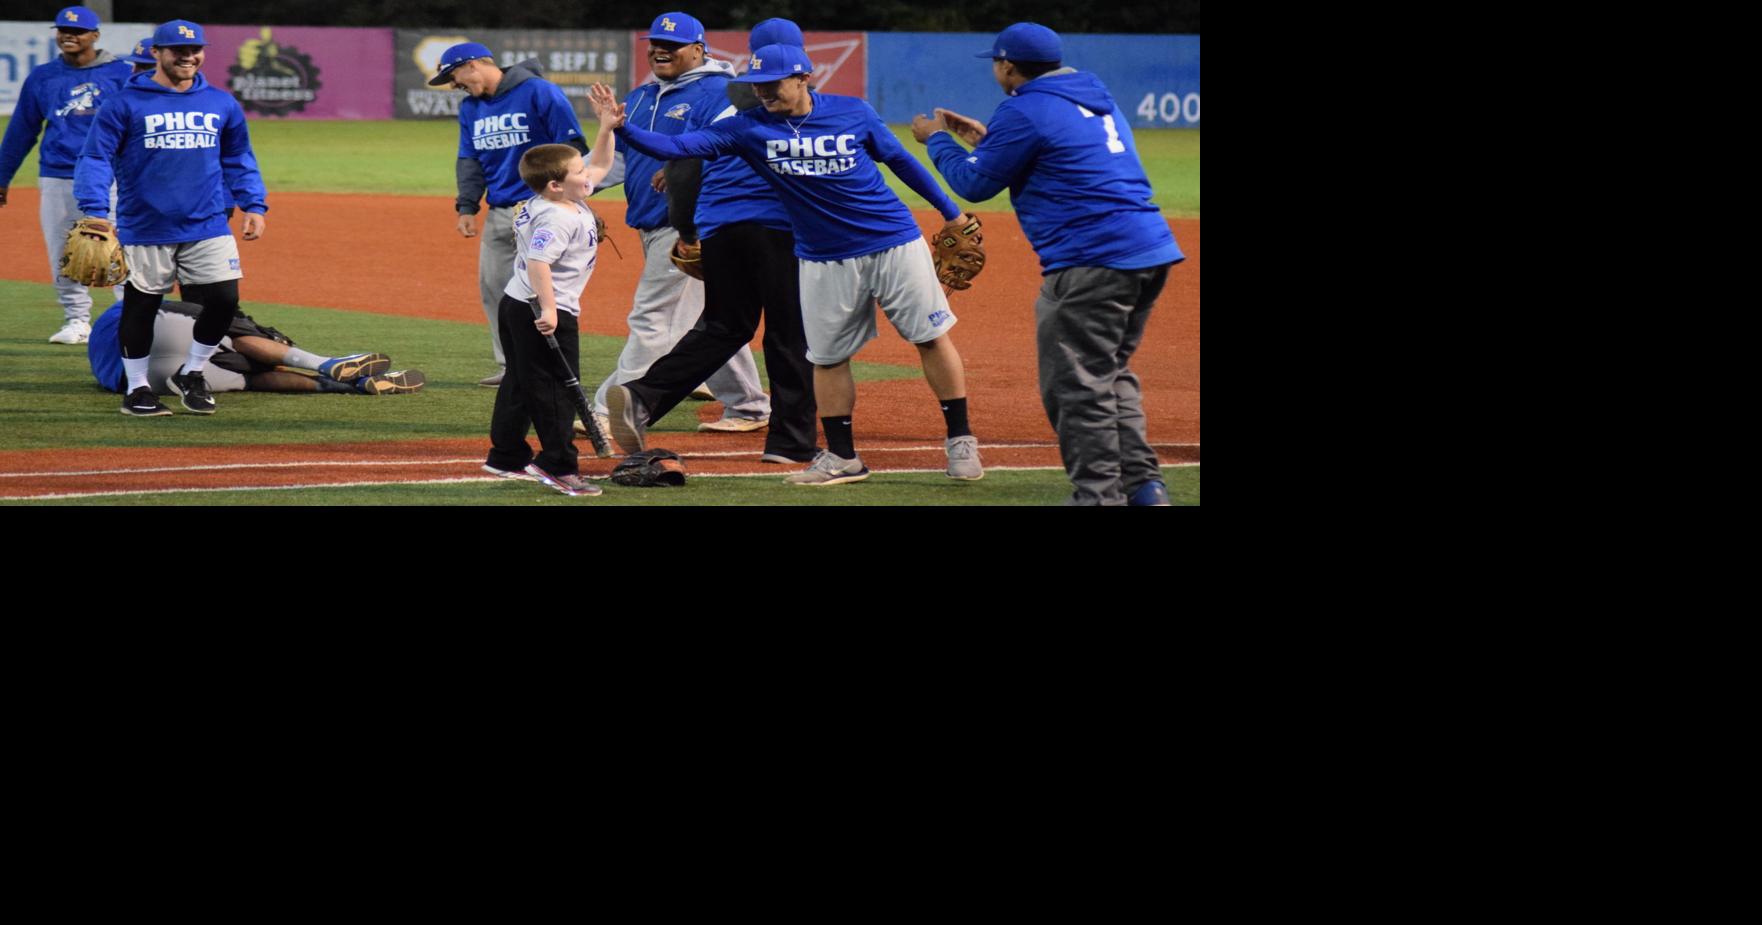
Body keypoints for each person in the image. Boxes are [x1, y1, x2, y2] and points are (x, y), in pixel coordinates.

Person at [595, 42, 985, 487]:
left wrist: (951, 213)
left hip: (892, 240)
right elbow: (678, 144)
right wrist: (620, 127)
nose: (763, 93)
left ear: (803, 77)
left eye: (773, 84)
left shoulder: (853, 112)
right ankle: (841, 457)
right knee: (826, 356)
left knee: (930, 337)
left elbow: (899, 162)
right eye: (756, 85)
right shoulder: (748, 128)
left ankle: (960, 440)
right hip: (823, 255)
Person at [912, 23, 1186, 506]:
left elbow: (973, 187)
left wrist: (937, 140)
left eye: (996, 63)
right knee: (1108, 373)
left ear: (1008, 66)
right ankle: (1142, 487)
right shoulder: (1094, 97)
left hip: (1091, 260)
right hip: (1149, 250)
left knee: (1076, 388)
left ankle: (1098, 497)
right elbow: (1062, 155)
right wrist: (990, 141)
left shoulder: (1023, 109)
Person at [604, 17, 817, 464]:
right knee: (788, 334)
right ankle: (790, 440)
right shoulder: (823, 109)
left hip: (719, 228)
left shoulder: (732, 98)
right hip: (780, 230)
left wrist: (685, 230)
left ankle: (643, 398)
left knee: (722, 327)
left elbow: (683, 156)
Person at [73, 19, 270, 418]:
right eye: (178, 51)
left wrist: (253, 204)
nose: (188, 56)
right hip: (146, 225)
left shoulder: (220, 102)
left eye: (195, 50)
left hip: (207, 223)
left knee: (223, 300)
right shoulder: (125, 104)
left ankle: (192, 371)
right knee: (141, 306)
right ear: (158, 54)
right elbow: (95, 157)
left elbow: (238, 158)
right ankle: (139, 388)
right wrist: (95, 210)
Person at [592, 11, 770, 438]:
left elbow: (734, 150)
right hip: (650, 222)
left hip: (692, 223)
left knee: (654, 319)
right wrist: (568, 188)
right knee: (713, 319)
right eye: (655, 43)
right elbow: (616, 161)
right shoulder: (639, 96)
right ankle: (748, 404)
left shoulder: (720, 93)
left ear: (698, 50)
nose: (659, 51)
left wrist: (686, 170)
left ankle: (610, 409)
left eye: (671, 45)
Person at [433, 41, 611, 389]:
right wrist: (467, 205)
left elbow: (573, 149)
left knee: (549, 290)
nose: (456, 86)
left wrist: (577, 201)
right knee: (497, 289)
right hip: (501, 212)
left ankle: (553, 366)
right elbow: (468, 158)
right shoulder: (471, 108)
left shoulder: (539, 92)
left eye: (454, 77)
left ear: (473, 65)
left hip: (546, 209)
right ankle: (513, 367)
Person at [481, 123, 620, 498]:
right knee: (556, 389)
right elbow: (539, 262)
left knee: (522, 381)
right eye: (579, 171)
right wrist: (549, 309)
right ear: (556, 184)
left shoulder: (557, 198)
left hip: (518, 305)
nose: (587, 175)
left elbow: (603, 166)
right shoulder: (558, 217)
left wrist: (606, 129)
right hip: (541, 310)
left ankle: (506, 454)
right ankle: (558, 465)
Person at [0, 6, 133, 345]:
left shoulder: (121, 74)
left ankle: (130, 317)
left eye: (78, 31)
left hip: (113, 176)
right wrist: (2, 176)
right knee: (63, 249)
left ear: (95, 35)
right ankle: (76, 320)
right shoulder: (43, 77)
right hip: (58, 174)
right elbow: (21, 131)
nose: (69, 35)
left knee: (121, 248)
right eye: (63, 30)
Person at [87, 299, 424, 401]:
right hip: (160, 328)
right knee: (230, 332)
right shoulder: (141, 303)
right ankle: (327, 364)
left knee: (251, 379)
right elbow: (225, 317)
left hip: (137, 379)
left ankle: (343, 384)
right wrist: (269, 336)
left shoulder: (112, 317)